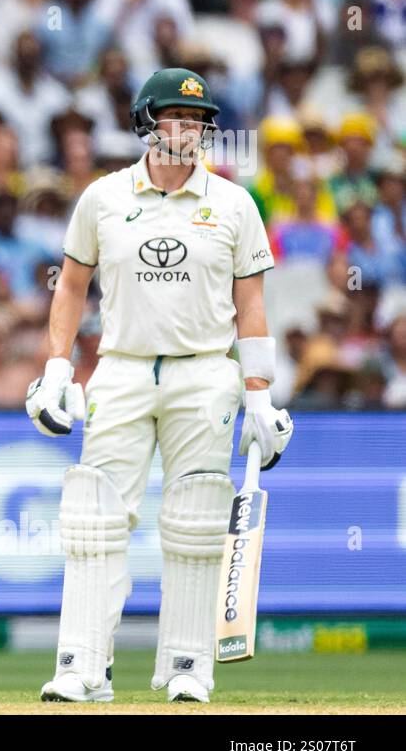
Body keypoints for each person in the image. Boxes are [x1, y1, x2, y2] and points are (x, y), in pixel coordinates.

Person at [25, 68, 294, 703]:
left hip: (204, 373)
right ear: (146, 121)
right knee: (93, 517)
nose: (186, 129)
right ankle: (81, 666)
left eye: (197, 120)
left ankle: (185, 666)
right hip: (119, 366)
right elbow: (69, 286)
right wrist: (57, 369)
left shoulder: (233, 204)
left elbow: (251, 307)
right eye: (173, 117)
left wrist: (260, 393)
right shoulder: (103, 198)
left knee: (197, 521)